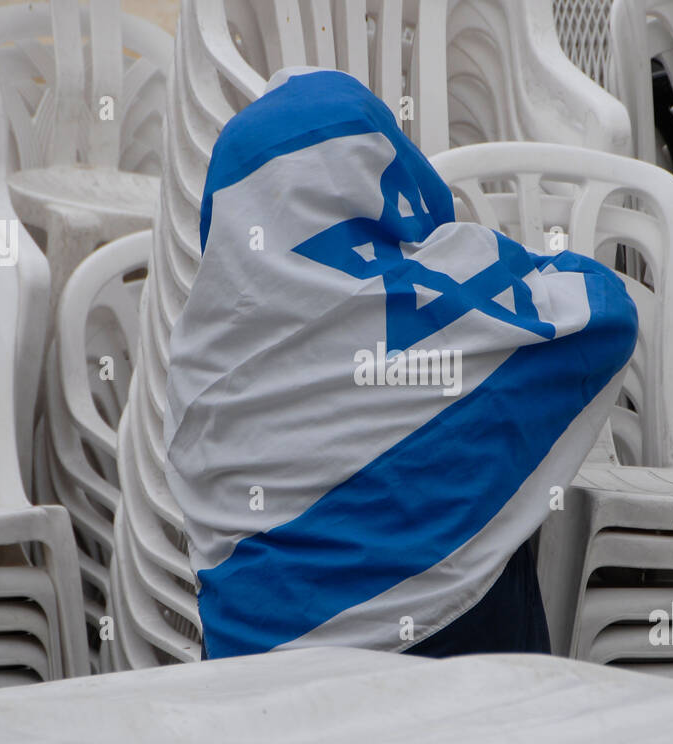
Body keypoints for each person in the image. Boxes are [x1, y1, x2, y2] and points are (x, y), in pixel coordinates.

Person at [164, 67, 637, 660]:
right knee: (494, 500)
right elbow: (607, 315)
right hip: (445, 687)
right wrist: (474, 258)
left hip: (258, 697)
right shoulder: (448, 310)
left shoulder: (199, 355)